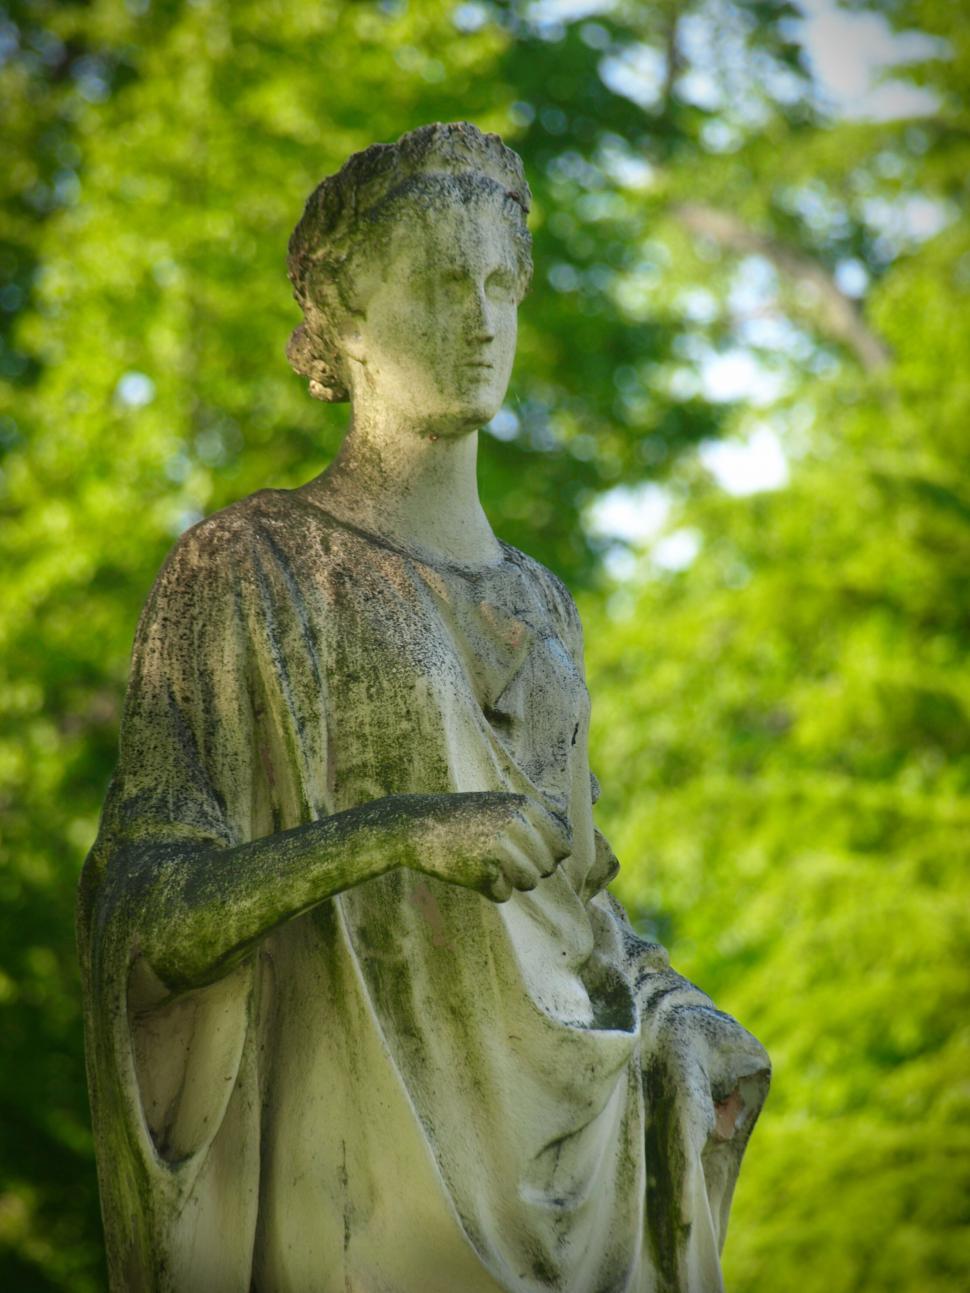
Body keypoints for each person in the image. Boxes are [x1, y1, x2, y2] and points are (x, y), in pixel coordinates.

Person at [78, 122, 769, 1293]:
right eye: (444, 283)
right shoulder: (250, 568)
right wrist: (399, 833)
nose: (483, 321)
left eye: (501, 284)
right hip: (354, 1182)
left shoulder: (541, 604)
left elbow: (573, 917)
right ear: (341, 315)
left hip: (576, 1170)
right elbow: (151, 917)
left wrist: (677, 1012)